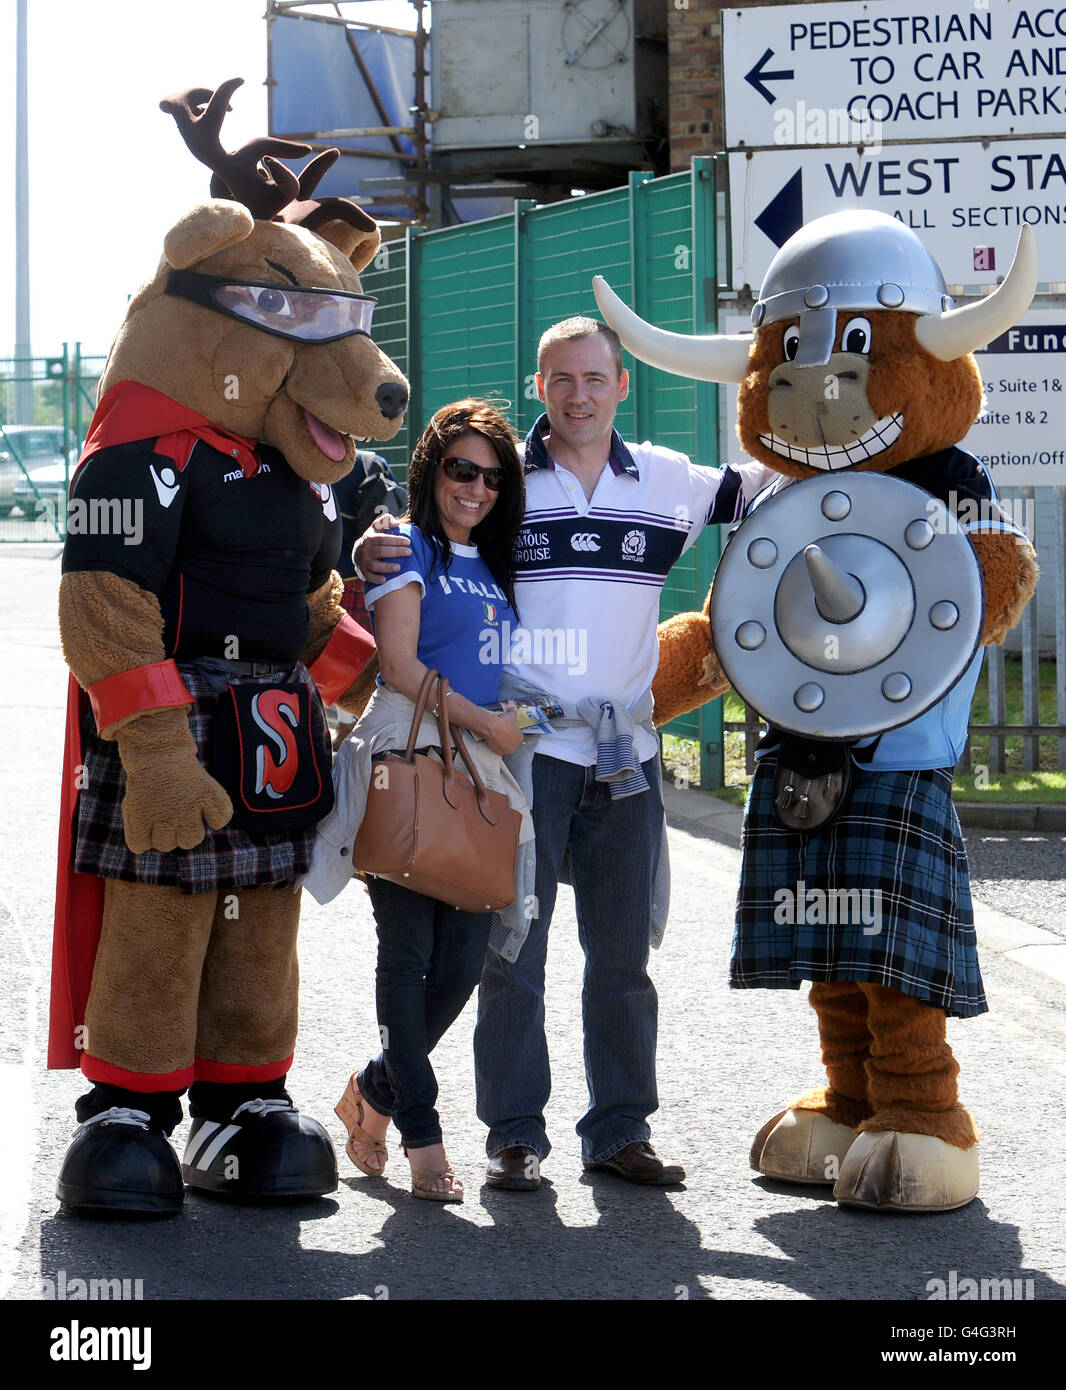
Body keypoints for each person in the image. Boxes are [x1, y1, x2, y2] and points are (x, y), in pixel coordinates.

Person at [356, 319, 769, 1190]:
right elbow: (432, 531)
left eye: (595, 378)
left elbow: (778, 483)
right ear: (539, 388)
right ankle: (514, 1135)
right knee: (514, 951)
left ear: (623, 385)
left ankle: (620, 1131)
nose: (579, 395)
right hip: (524, 752)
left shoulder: (669, 480)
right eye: (562, 380)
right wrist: (371, 544)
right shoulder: (503, 482)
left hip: (625, 750)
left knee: (622, 956)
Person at [322, 399, 527, 1202]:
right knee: (407, 959)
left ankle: (373, 1091)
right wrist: (486, 722)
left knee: (463, 965)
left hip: (476, 767)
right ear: (431, 471)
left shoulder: (498, 559)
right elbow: (400, 666)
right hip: (408, 757)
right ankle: (423, 1139)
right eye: (460, 470)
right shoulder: (404, 547)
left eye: (491, 476)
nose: (475, 488)